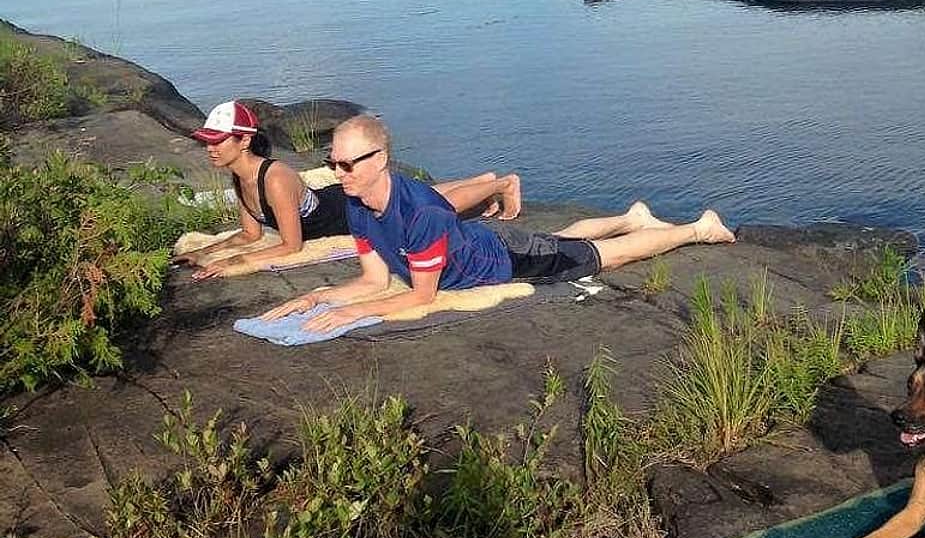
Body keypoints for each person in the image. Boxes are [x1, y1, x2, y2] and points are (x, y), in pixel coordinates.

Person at [261, 115, 736, 332]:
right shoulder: (359, 205)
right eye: (334, 163)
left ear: (381, 158)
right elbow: (374, 279)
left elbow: (423, 296)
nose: (338, 173)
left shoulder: (419, 212)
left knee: (601, 257)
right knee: (554, 239)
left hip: (509, 262)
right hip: (490, 242)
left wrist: (358, 312)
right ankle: (631, 216)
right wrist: (318, 296)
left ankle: (698, 227)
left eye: (349, 164)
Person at [175, 101, 522, 279]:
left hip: (344, 210)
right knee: (425, 191)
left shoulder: (275, 178)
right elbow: (250, 234)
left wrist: (237, 264)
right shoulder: (239, 176)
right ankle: (483, 180)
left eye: (219, 140)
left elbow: (291, 245)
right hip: (332, 204)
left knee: (430, 204)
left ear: (244, 140)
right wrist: (206, 253)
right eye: (209, 140)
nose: (211, 148)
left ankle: (502, 183)